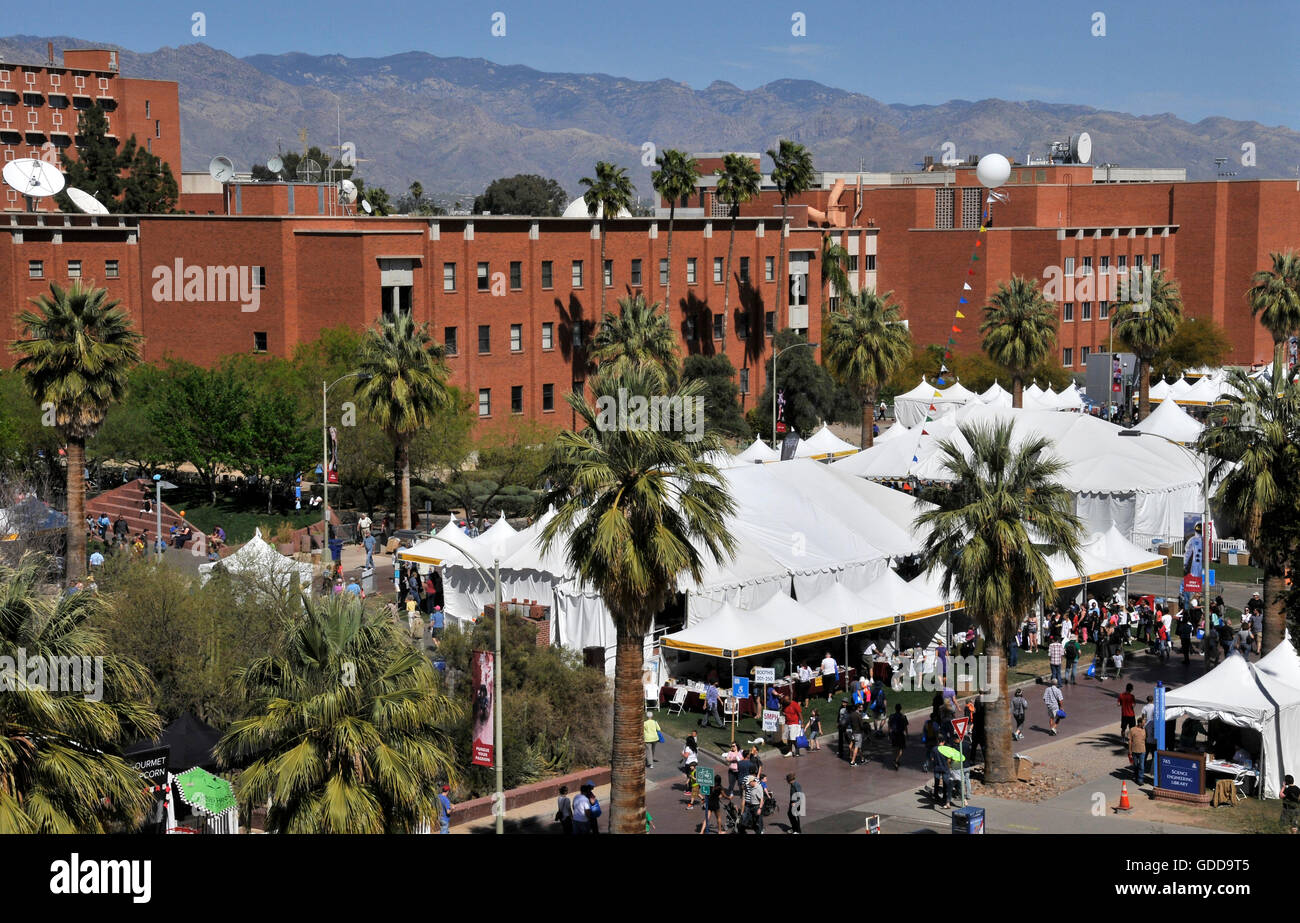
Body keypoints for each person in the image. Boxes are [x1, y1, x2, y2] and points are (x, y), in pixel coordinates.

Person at [1128, 717, 1148, 785]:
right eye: (1143, 723)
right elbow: (1130, 741)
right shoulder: (1132, 730)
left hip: (1142, 751)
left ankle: (1140, 780)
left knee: (1141, 766)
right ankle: (1136, 777)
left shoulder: (1145, 730)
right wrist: (1130, 751)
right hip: (1134, 751)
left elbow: (1146, 739)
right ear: (1139, 723)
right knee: (1135, 766)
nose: (1144, 724)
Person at [888, 703, 908, 769]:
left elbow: (889, 725)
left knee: (895, 748)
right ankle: (896, 761)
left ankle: (896, 760)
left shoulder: (891, 716)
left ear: (895, 708)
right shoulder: (903, 716)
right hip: (900, 734)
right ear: (900, 709)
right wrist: (907, 734)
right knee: (900, 749)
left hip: (894, 734)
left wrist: (889, 734)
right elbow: (905, 726)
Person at [847, 702, 865, 766]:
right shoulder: (859, 715)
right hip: (858, 733)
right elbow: (861, 725)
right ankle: (853, 761)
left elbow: (850, 723)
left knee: (857, 747)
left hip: (853, 732)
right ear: (858, 708)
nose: (862, 708)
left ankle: (862, 759)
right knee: (857, 747)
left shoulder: (851, 715)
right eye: (861, 707)